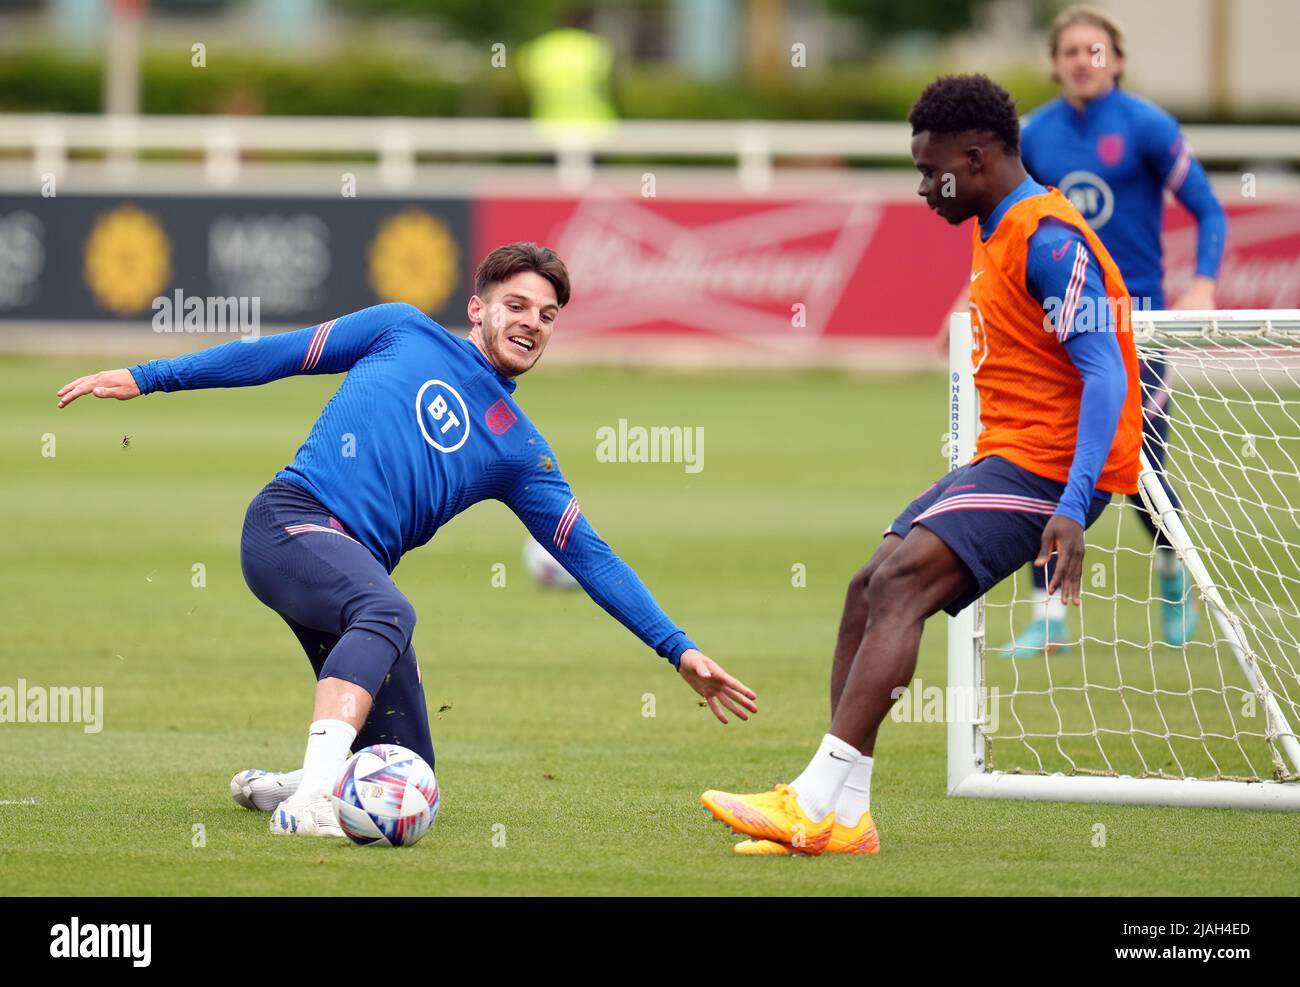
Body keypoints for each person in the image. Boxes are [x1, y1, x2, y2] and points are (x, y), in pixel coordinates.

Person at [57, 241, 757, 838]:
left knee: (407, 769)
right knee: (388, 610)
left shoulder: (520, 452)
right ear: (477, 308)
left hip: (349, 566)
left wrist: (679, 649)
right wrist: (147, 378)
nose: (533, 324)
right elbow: (278, 355)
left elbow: (589, 553)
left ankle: (296, 781)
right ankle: (308, 805)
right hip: (289, 521)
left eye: (547, 316)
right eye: (516, 305)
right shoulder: (401, 328)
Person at [702, 74, 1141, 855]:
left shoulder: (1050, 237)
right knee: (868, 585)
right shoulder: (996, 224)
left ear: (974, 158)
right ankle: (846, 816)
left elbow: (1104, 370)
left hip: (1052, 472)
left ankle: (810, 799)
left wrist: (1072, 505)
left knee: (903, 582)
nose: (922, 188)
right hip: (1007, 456)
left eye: (927, 170)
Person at [1005, 4, 1227, 654]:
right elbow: (1013, 224)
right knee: (1038, 457)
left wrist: (1205, 282)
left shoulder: (1148, 127)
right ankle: (1047, 614)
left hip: (1138, 323)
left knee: (1141, 469)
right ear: (1055, 62)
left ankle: (1170, 570)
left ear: (1117, 60)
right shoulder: (1036, 136)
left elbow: (1209, 210)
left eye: (1094, 50)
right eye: (1070, 51)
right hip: (1060, 321)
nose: (1082, 60)